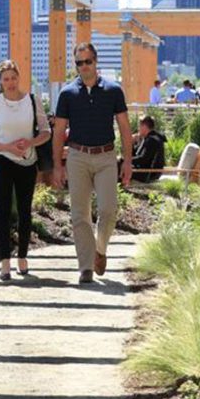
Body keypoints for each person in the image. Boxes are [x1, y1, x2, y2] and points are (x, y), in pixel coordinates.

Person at [53, 43, 133, 284]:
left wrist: (127, 161)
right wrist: (57, 165)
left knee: (108, 210)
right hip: (77, 156)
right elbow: (58, 132)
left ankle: (100, 249)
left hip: (106, 156)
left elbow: (125, 128)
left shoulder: (113, 90)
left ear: (95, 62)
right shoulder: (67, 94)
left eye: (88, 61)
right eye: (79, 63)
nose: (84, 67)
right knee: (80, 214)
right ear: (75, 65)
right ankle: (85, 266)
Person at [0, 60, 51, 281]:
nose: (10, 82)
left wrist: (29, 143)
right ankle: (4, 263)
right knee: (3, 212)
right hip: (2, 161)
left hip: (27, 162)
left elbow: (46, 132)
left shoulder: (32, 100)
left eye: (13, 77)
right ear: (0, 81)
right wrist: (7, 147)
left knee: (24, 211)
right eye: (5, 79)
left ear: (19, 78)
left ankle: (22, 257)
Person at [130, 115, 166, 183]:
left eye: (139, 126)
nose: (138, 129)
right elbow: (135, 155)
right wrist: (132, 143)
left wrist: (126, 160)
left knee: (120, 168)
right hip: (143, 170)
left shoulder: (152, 140)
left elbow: (143, 159)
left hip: (149, 173)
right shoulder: (147, 138)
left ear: (144, 126)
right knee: (120, 164)